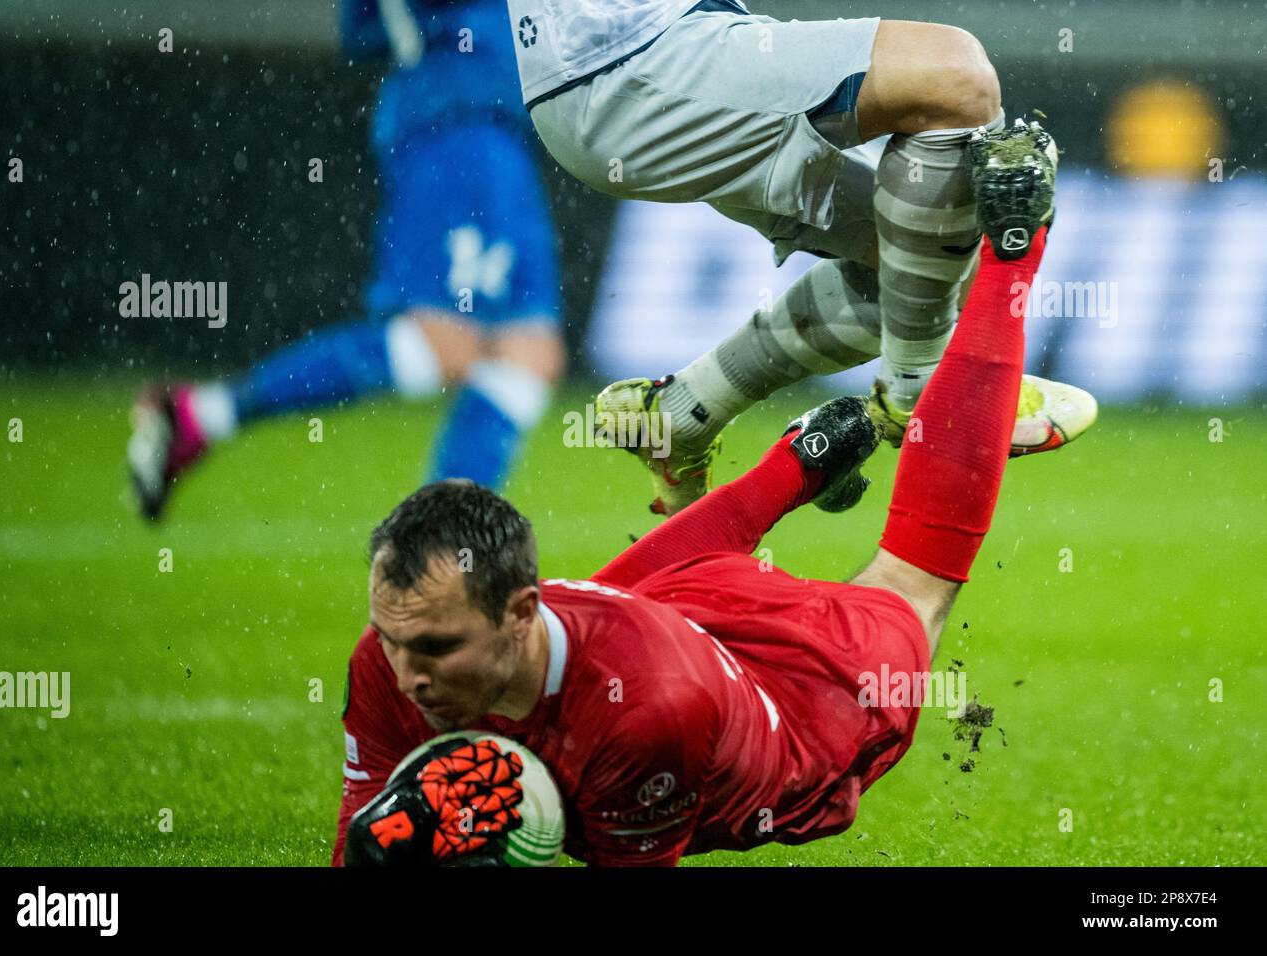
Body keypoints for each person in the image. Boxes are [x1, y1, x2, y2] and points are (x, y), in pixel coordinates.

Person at [332, 131, 1056, 866]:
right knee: (639, 598)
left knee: (914, 580)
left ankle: (1015, 238)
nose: (407, 673)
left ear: (523, 613)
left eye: (435, 648)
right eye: (392, 641)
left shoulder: (649, 715)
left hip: (815, 695)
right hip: (677, 619)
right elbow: (627, 588)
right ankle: (805, 458)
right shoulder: (393, 653)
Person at [509, 0, 1096, 513]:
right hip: (630, 56)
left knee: (924, 259)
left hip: (613, 72)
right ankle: (921, 392)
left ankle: (683, 411)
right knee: (955, 75)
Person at [127, 0, 565, 519]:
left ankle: (443, 544)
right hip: (454, 115)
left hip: (502, 120)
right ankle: (200, 416)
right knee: (445, 340)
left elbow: (362, 33)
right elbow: (364, 29)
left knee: (528, 354)